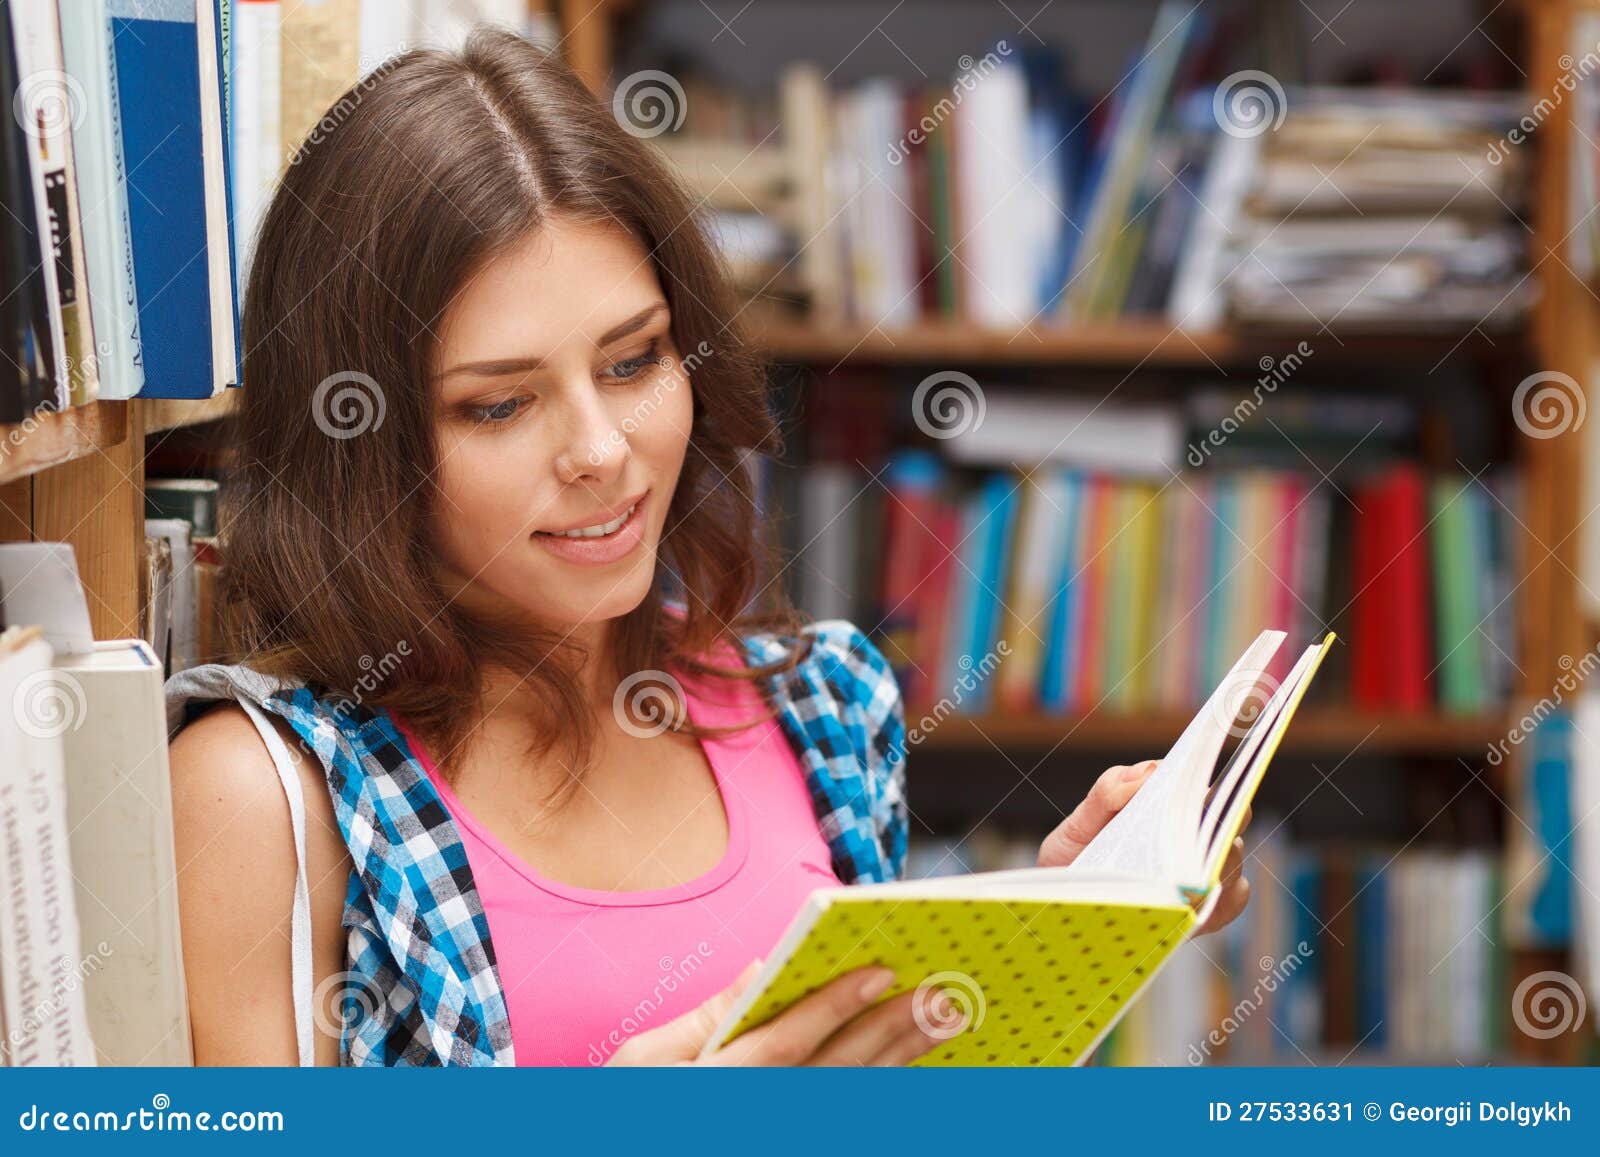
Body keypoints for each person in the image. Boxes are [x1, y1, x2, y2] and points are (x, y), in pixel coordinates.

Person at [165, 28, 1250, 1067]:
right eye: (498, 406)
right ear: (360, 440)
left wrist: (1042, 934)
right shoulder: (263, 795)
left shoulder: (822, 705)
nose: (600, 450)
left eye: (634, 361)